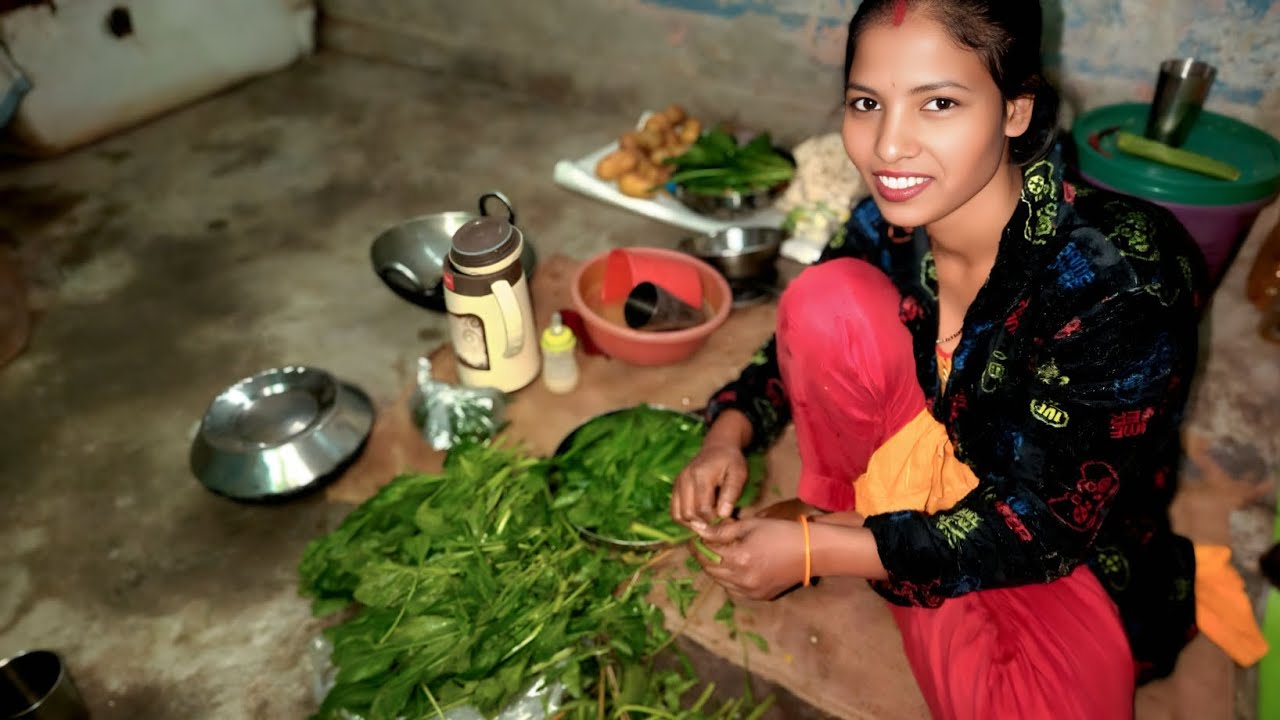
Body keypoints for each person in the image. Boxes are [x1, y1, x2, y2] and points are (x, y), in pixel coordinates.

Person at [670, 1, 1212, 717]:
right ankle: (867, 531)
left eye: (940, 104)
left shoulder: (1120, 279)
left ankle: (871, 544)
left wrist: (817, 554)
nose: (889, 146)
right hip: (928, 457)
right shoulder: (887, 224)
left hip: (1052, 541)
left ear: (1015, 110)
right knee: (827, 301)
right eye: (867, 103)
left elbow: (1044, 527)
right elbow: (786, 349)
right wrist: (728, 433)